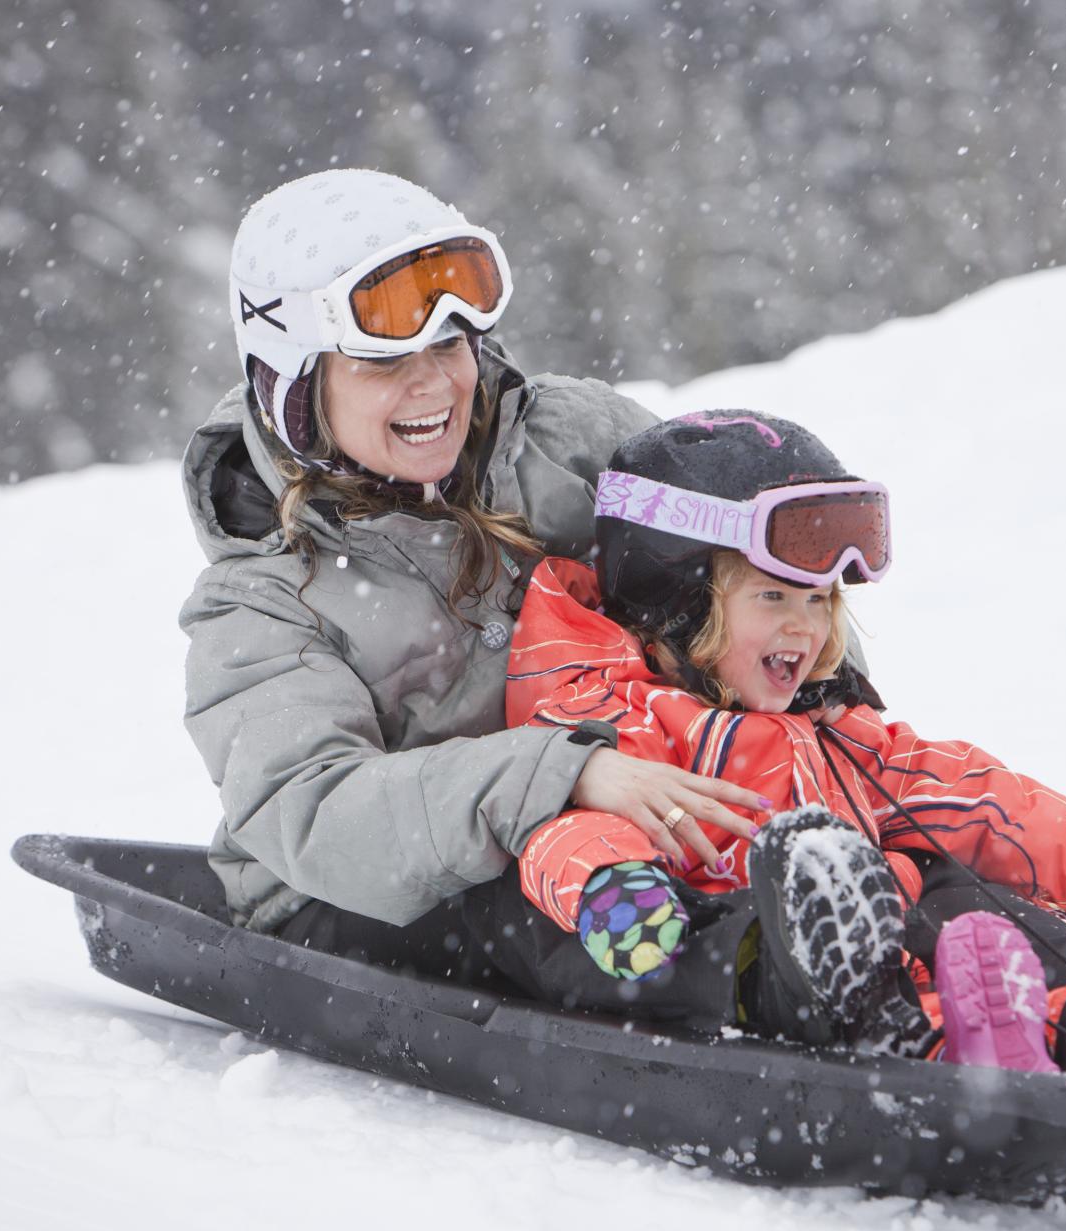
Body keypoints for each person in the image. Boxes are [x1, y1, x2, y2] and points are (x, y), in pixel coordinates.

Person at [491, 411, 1066, 1083]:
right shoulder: (618, 722)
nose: (806, 627)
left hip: (876, 928)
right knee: (812, 901)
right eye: (773, 596)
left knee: (964, 899)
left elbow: (987, 801)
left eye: (820, 600)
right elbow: (563, 820)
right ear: (678, 597)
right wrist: (612, 884)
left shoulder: (834, 731)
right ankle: (943, 1038)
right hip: (739, 955)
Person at [179, 169, 771, 979]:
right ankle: (764, 979)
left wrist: (818, 716)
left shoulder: (577, 446)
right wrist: (558, 777)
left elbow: (761, 580)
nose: (434, 385)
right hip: (362, 905)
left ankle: (945, 931)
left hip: (629, 825)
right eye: (383, 362)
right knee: (583, 911)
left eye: (449, 345)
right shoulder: (261, 600)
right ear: (296, 384)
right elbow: (315, 813)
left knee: (845, 819)